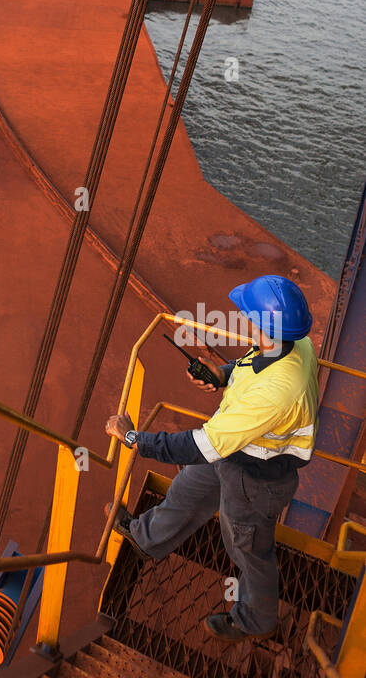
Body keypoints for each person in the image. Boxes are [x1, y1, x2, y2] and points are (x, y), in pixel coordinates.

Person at [104, 275, 318, 643]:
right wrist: (221, 375)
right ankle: (147, 538)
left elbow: (201, 445)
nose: (245, 319)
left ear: (265, 327)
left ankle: (256, 620)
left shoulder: (277, 392)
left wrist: (133, 438)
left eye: (250, 314)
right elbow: (253, 363)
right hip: (235, 449)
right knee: (188, 489)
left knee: (248, 548)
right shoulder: (296, 342)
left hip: (257, 480)